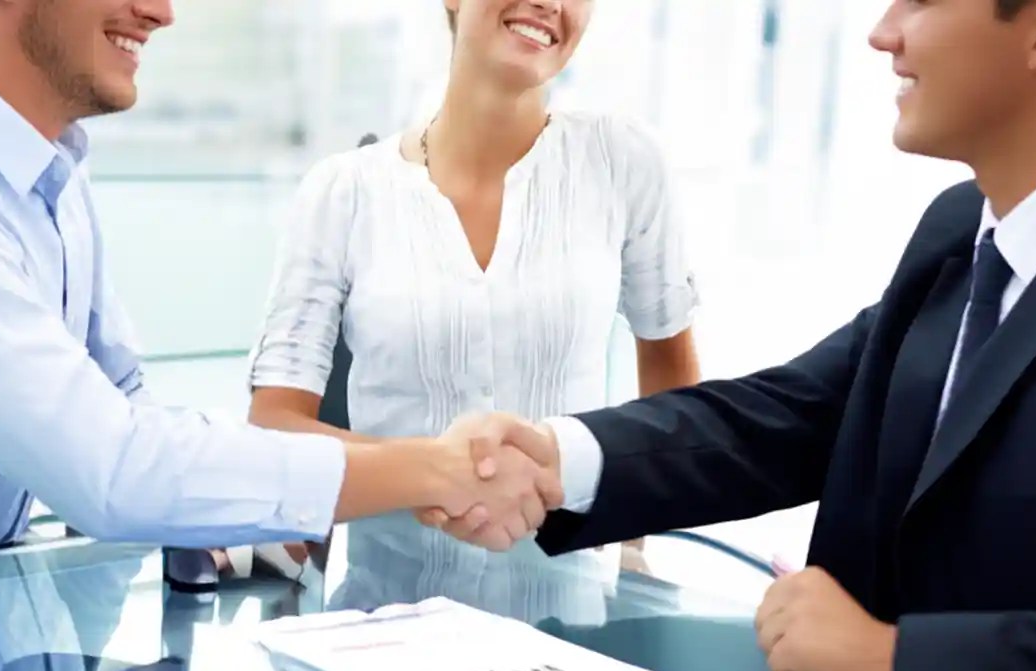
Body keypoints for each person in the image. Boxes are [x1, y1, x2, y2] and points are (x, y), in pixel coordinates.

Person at [429, 0, 1036, 671]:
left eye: (920, 1)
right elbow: (791, 417)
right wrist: (558, 457)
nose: (883, 32)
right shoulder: (958, 233)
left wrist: (893, 658)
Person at [0, 0, 554, 574]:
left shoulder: (44, 164)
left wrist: (232, 520)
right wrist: (434, 468)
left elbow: (120, 395)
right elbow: (112, 468)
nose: (162, 12)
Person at [245, 0, 700, 623]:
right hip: (381, 629)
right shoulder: (344, 191)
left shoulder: (622, 161)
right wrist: (440, 473)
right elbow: (274, 424)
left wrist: (636, 547)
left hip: (569, 634)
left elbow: (675, 393)